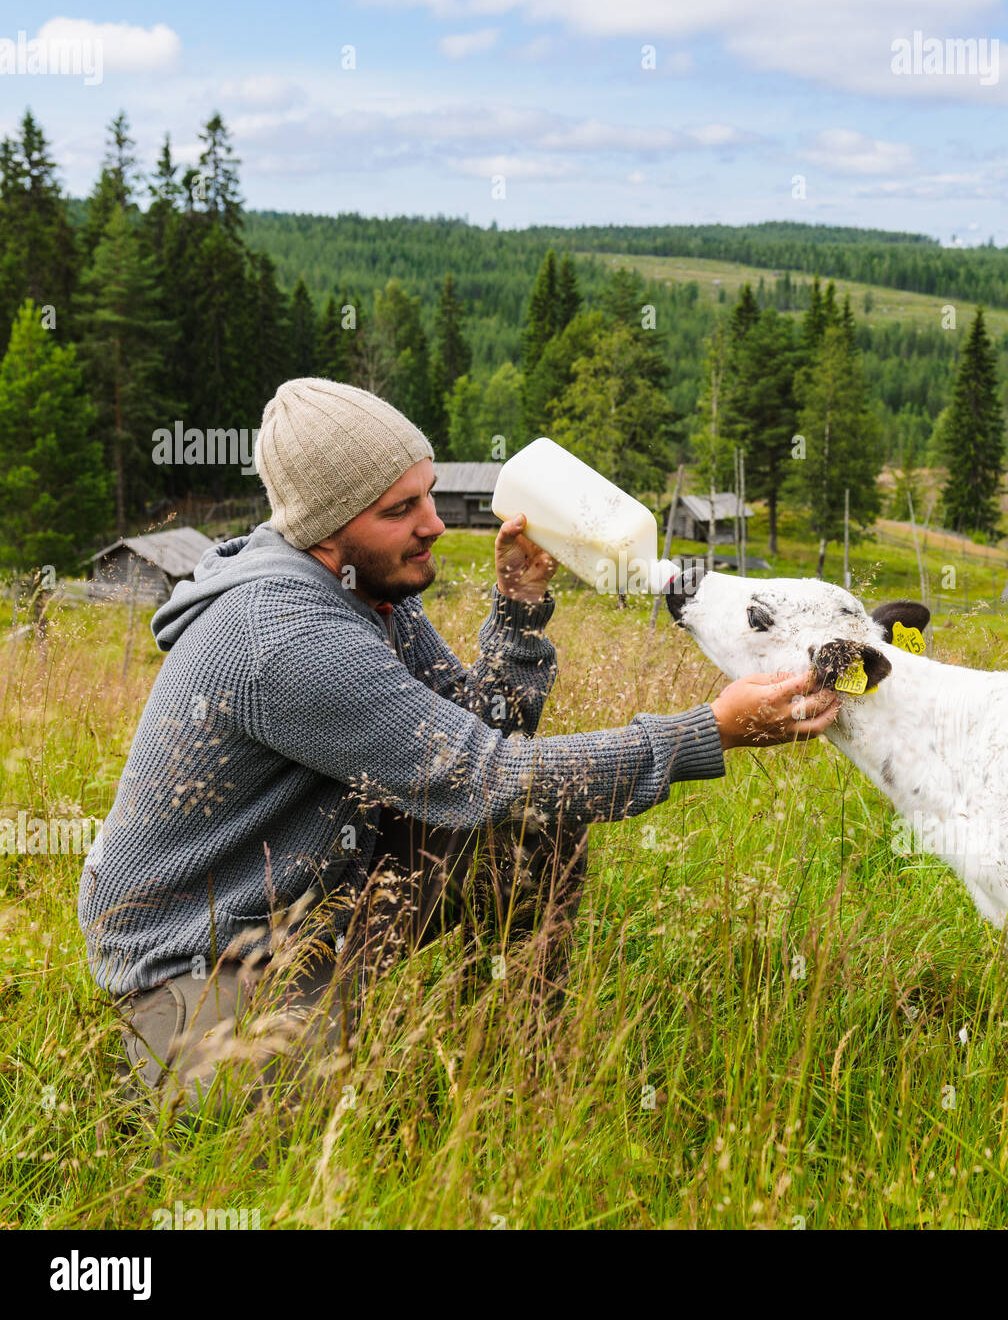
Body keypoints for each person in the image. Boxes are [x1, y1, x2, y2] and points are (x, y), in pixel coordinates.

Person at [78, 377, 841, 1121]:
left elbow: (485, 736)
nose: (435, 523)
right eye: (400, 508)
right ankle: (162, 1053)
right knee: (307, 1116)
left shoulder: (362, 592)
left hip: (310, 903)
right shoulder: (286, 637)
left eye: (430, 493)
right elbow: (489, 776)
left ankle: (521, 1068)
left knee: (535, 827)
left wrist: (516, 613)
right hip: (200, 954)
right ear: (327, 525)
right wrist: (709, 731)